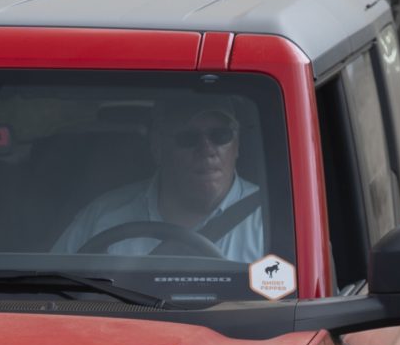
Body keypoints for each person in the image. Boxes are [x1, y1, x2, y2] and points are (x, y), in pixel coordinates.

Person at [53, 97, 265, 260]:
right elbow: (53, 288)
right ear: (157, 148)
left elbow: (287, 306)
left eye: (220, 136)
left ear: (237, 145)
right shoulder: (103, 217)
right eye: (188, 138)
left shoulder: (272, 221)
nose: (207, 149)